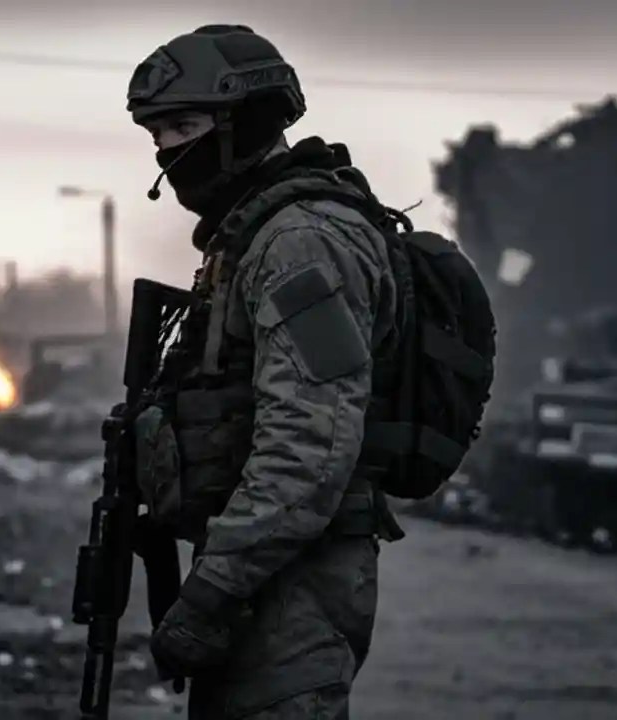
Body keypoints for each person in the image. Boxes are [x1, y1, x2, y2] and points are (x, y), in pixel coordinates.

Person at [127, 25, 403, 720]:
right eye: (157, 132)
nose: (166, 150)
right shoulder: (255, 237)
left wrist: (214, 589)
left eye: (183, 125)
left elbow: (310, 447)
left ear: (245, 119)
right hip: (264, 570)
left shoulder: (300, 243)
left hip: (292, 581)